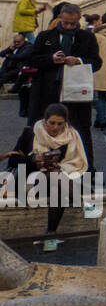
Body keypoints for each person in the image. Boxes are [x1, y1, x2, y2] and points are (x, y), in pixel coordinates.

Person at [28, 3, 101, 188]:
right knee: (44, 131)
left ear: (79, 20)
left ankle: (86, 172)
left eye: (73, 24)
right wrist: (51, 59)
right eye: (66, 23)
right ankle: (42, 173)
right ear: (60, 18)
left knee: (82, 132)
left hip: (76, 94)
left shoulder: (87, 38)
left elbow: (97, 62)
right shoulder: (45, 36)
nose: (68, 27)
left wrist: (79, 60)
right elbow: (33, 59)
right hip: (48, 93)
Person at [6, 103, 89, 250]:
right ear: (44, 122)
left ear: (66, 123)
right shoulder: (30, 133)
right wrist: (33, 160)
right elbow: (12, 161)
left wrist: (60, 166)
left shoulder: (71, 136)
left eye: (60, 124)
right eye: (52, 123)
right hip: (29, 180)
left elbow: (77, 163)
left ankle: (50, 237)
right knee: (54, 176)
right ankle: (85, 204)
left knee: (57, 185)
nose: (55, 127)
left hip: (59, 181)